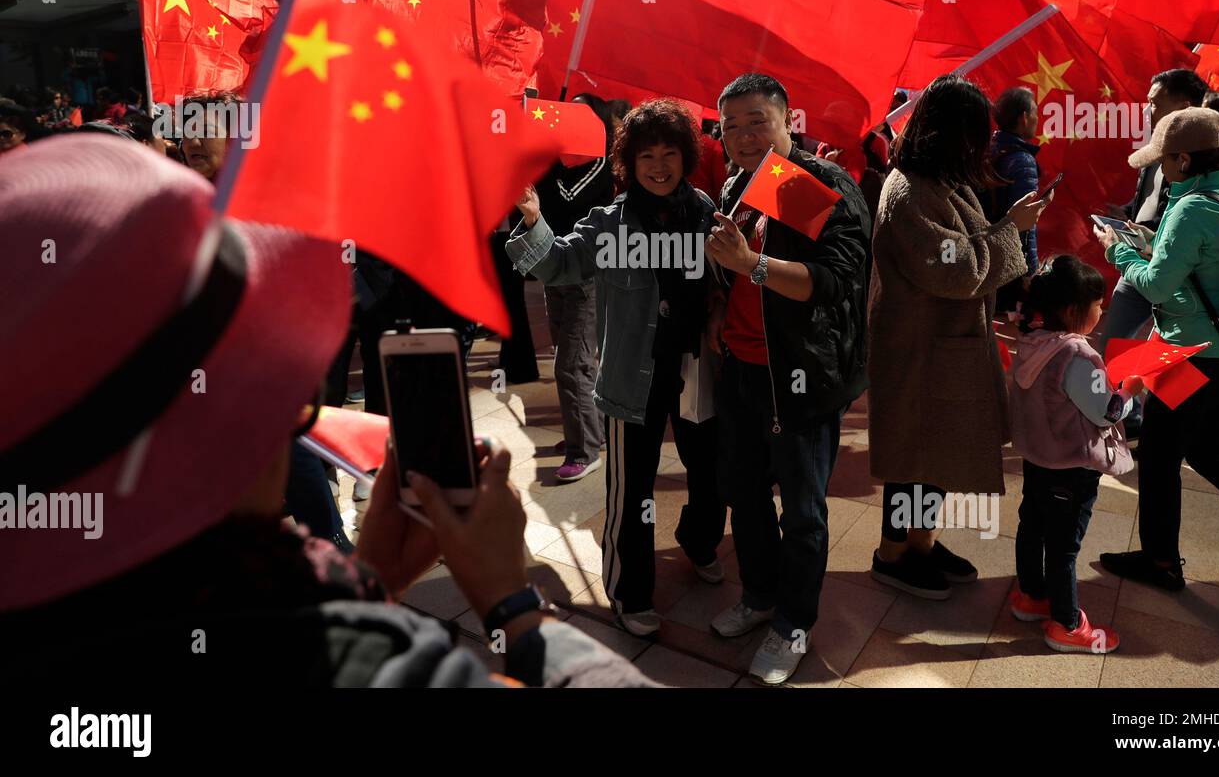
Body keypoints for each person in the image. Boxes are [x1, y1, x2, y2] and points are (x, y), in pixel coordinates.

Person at [0, 135, 655, 687]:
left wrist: (374, 579)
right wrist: (512, 605)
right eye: (268, 368)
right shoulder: (361, 665)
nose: (297, 407)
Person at [508, 99, 725, 637]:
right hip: (633, 378)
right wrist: (533, 221)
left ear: (685, 156)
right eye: (646, 154)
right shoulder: (608, 221)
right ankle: (630, 591)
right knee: (632, 492)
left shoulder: (702, 210)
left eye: (669, 153)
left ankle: (699, 542)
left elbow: (725, 278)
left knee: (709, 475)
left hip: (696, 370)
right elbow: (557, 264)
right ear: (628, 161)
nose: (658, 165)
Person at [704, 73, 872, 685]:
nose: (744, 137)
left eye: (757, 122)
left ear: (786, 121)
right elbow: (729, 270)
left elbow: (831, 281)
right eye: (731, 127)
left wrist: (751, 266)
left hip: (798, 375)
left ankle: (794, 624)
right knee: (744, 494)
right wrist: (723, 302)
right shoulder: (736, 185)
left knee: (802, 511)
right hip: (742, 371)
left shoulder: (803, 184)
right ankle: (761, 595)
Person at [1095, 107, 1219, 605]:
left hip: (1189, 355)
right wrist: (1157, 248)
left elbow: (1158, 285)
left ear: (1184, 159)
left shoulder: (1192, 208)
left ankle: (1161, 561)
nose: (1160, 169)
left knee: (1161, 456)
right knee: (1212, 454)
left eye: (1164, 161)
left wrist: (1118, 251)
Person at [867, 75, 1050, 600]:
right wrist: (1011, 228)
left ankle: (921, 543)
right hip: (918, 346)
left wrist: (1006, 227)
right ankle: (891, 553)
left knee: (935, 452)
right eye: (977, 132)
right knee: (914, 455)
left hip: (942, 342)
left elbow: (966, 250)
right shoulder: (909, 190)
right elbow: (956, 267)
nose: (985, 144)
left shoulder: (940, 179)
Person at [1008, 255, 1138, 653]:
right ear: (1071, 310)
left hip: (1039, 458)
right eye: (1098, 305)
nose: (1102, 311)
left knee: (1032, 526)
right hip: (1072, 466)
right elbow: (1105, 411)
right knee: (1064, 546)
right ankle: (1066, 624)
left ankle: (1032, 595)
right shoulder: (1077, 356)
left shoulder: (1032, 341)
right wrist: (1130, 391)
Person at [1100, 69, 1208, 436]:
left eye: (1154, 103)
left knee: (1169, 359)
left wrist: (1154, 239)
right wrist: (1127, 213)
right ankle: (1127, 418)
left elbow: (1193, 222)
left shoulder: (1206, 166)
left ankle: (1176, 431)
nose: (1147, 110)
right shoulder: (1155, 149)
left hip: (1178, 277)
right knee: (1116, 345)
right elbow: (1147, 199)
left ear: (1185, 106)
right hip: (1139, 267)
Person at [526, 92, 616, 481]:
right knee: (574, 355)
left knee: (571, 363)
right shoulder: (555, 163)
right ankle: (589, 431)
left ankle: (584, 450)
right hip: (555, 270)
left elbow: (566, 200)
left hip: (585, 274)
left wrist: (541, 168)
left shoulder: (600, 162)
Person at [985, 86, 1042, 315]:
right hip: (1008, 262)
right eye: (1036, 112)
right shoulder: (1022, 160)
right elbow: (1026, 224)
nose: (1038, 119)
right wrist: (1030, 269)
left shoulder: (988, 149)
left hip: (984, 251)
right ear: (1024, 117)